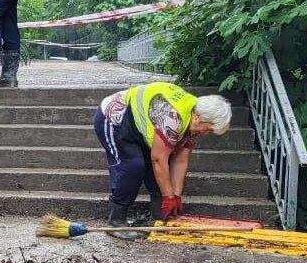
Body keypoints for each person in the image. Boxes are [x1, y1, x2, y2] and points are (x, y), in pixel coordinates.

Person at [94, 81, 232, 228]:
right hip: (115, 118)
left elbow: (180, 161)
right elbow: (159, 160)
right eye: (208, 129)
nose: (206, 133)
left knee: (160, 171)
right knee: (132, 166)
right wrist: (168, 196)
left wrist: (176, 196)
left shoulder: (193, 119)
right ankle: (116, 220)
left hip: (141, 125)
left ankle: (157, 217)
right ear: (198, 117)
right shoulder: (173, 117)